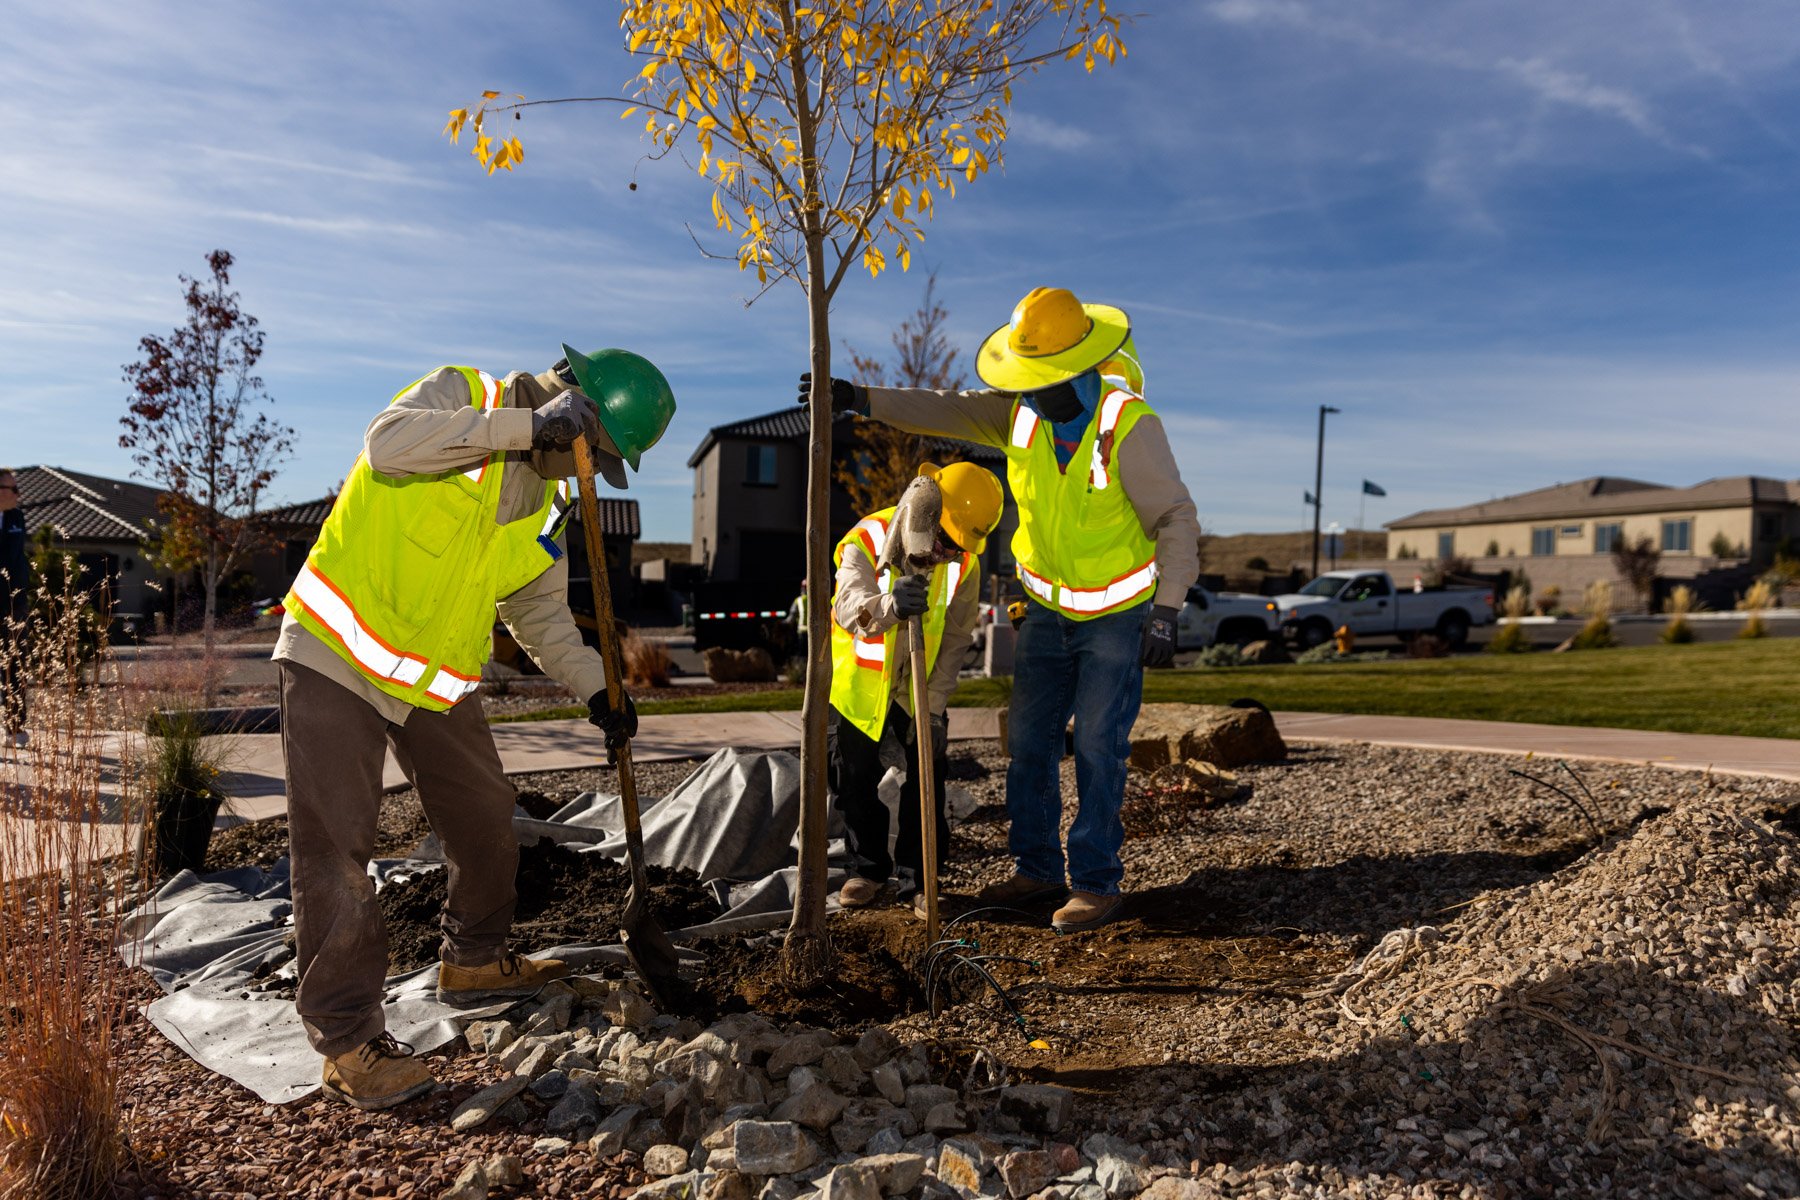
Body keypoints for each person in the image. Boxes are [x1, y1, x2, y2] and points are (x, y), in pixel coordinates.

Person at [274, 345, 675, 1110]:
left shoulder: (547, 501)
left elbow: (538, 613)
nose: (588, 474)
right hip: (336, 651)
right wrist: (521, 423)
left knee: (487, 813)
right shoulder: (466, 393)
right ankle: (348, 1038)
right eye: (599, 455)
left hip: (429, 680)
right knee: (337, 847)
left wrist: (601, 690)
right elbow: (385, 443)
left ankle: (475, 959)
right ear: (577, 414)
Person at [801, 287, 1200, 932]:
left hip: (1115, 617)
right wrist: (861, 398)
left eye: (1045, 382)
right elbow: (943, 410)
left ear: (1078, 368)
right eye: (1028, 381)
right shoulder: (1019, 417)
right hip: (1043, 610)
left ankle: (1095, 882)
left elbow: (1176, 517)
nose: (1033, 395)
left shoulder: (1128, 426)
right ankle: (1037, 870)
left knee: (1098, 744)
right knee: (1029, 743)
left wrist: (1167, 608)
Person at [827, 462, 1002, 917]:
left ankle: (919, 881)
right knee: (852, 780)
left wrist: (936, 709)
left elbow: (959, 637)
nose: (949, 552)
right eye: (945, 540)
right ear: (929, 512)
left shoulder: (965, 562)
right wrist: (889, 605)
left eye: (959, 545)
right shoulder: (869, 535)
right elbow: (848, 607)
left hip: (917, 688)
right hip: (859, 689)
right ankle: (865, 871)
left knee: (927, 778)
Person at [0, 468, 29, 748]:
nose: (18, 494)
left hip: (15, 603)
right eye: (12, 488)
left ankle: (16, 728)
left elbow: (14, 556)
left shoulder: (17, 517)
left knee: (16, 662)